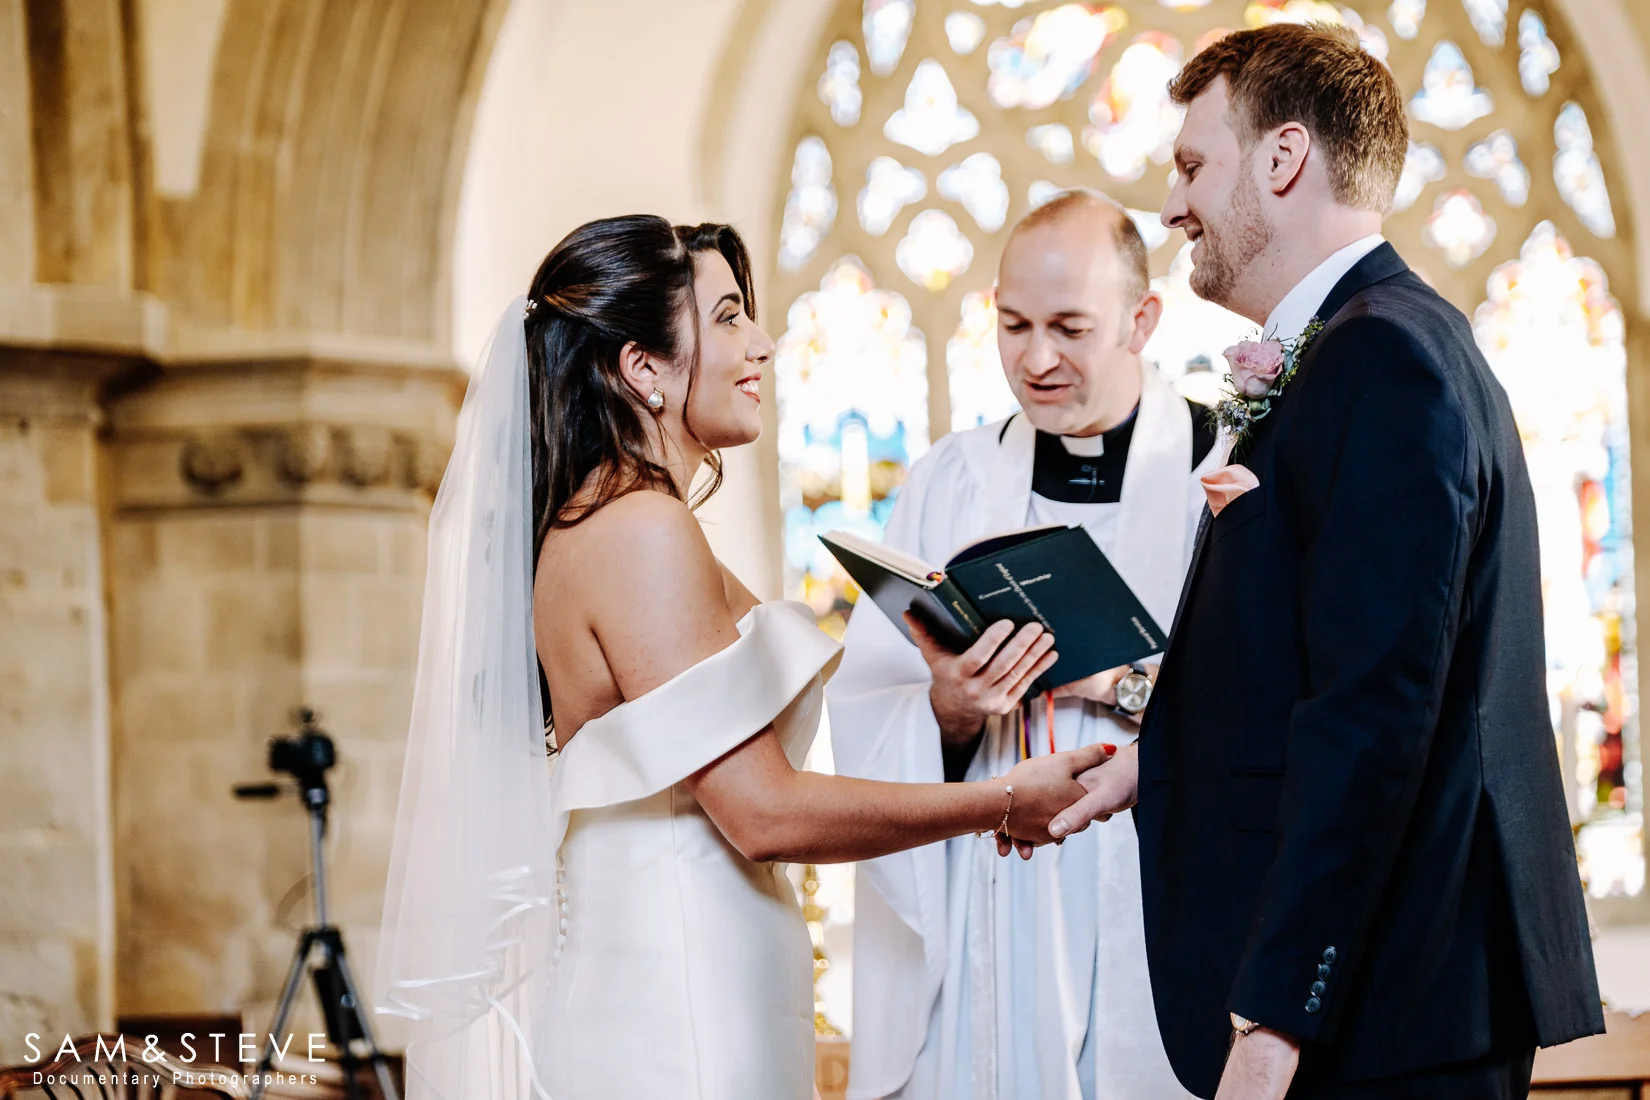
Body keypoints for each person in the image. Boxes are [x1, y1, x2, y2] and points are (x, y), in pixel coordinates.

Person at [371, 215, 1112, 1100]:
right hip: (681, 996)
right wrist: (1001, 802)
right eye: (727, 317)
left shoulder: (606, 520)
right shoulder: (640, 530)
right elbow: (759, 811)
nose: (761, 342)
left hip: (683, 967)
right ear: (643, 367)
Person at [1049, 23, 1604, 1100]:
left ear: (1284, 157)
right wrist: (1153, 761)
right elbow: (1308, 668)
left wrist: (1273, 1017)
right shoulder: (1364, 343)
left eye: (1193, 163)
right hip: (1394, 993)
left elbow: (1374, 710)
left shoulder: (1381, 358)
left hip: (1385, 1008)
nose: (1173, 205)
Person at [829, 190, 1221, 1100]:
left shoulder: (1221, 467)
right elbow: (870, 711)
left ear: (1141, 319)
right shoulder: (950, 483)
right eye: (1013, 325)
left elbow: (1288, 699)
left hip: (1163, 884)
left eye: (1069, 328)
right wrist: (951, 708)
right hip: (994, 900)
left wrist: (1121, 685)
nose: (1035, 359)